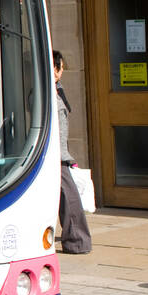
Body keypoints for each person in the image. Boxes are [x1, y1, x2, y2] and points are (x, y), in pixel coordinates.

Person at [54, 50, 92, 254]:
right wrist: (65, 158)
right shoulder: (48, 92)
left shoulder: (57, 90)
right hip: (56, 156)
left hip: (58, 154)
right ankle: (77, 241)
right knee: (70, 198)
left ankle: (77, 240)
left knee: (67, 197)